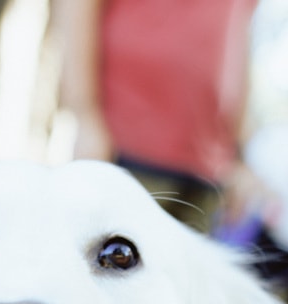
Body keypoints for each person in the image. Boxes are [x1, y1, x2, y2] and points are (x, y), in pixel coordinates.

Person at [55, 0, 258, 233]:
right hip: (125, 151)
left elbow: (240, 40)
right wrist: (86, 117)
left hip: (209, 172)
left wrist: (239, 156)